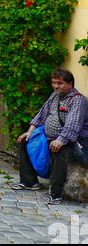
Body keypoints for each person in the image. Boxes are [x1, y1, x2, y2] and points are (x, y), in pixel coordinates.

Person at [12, 68, 88, 203]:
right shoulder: (54, 96)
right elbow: (41, 115)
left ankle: (56, 194)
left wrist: (60, 140)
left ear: (70, 84)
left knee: (59, 152)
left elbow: (72, 126)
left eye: (60, 83)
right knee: (24, 141)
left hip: (71, 141)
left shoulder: (78, 101)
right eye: (54, 83)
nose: (55, 86)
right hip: (48, 137)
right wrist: (29, 131)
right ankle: (29, 182)